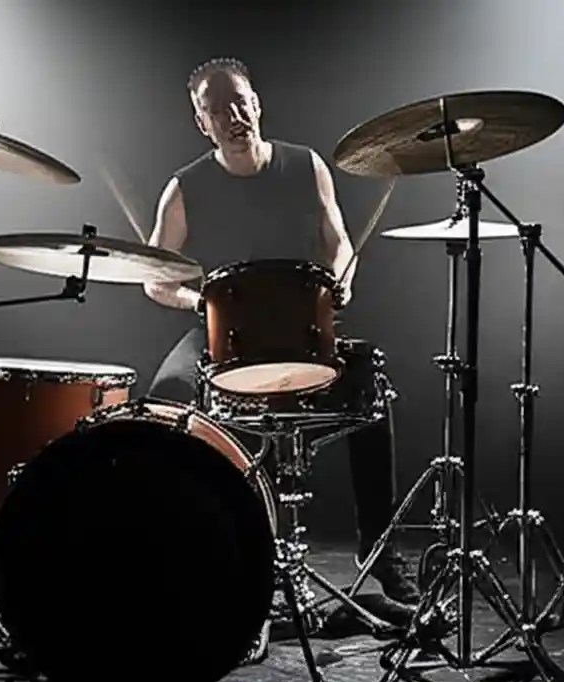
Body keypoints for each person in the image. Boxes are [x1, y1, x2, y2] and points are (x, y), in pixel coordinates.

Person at [141, 57, 419, 605]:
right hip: (225, 331)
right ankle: (198, 549)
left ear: (257, 103)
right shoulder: (185, 188)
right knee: (166, 395)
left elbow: (339, 242)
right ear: (202, 122)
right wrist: (200, 301)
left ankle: (380, 548)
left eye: (240, 102)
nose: (233, 116)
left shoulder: (305, 165)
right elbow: (154, 277)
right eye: (217, 109)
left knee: (369, 380)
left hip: (302, 325)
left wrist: (341, 281)